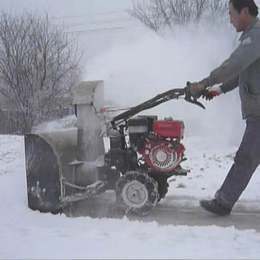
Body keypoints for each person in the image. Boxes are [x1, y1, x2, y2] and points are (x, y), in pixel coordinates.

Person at [189, 0, 260, 216]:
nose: (230, 20)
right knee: (247, 157)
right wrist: (219, 89)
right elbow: (243, 72)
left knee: (246, 158)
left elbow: (236, 63)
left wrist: (205, 82)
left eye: (231, 14)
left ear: (245, 11)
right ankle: (224, 201)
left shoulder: (255, 35)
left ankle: (224, 202)